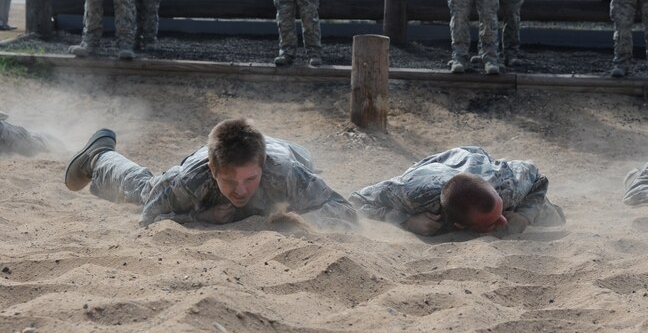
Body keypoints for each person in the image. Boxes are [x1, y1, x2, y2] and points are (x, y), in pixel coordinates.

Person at [64, 118, 357, 228]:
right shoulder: (190, 179)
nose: (241, 190)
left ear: (263, 167)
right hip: (196, 169)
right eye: (230, 181)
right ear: (213, 170)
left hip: (288, 151)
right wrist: (199, 218)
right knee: (145, 191)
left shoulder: (285, 173)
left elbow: (342, 210)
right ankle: (100, 156)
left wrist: (295, 221)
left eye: (250, 179)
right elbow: (149, 219)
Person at [350, 146, 565, 236]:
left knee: (553, 218)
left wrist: (524, 217)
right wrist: (404, 221)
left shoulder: (507, 185)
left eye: (500, 214)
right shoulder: (411, 195)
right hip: (433, 169)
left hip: (477, 163)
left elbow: (538, 179)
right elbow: (357, 201)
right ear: (460, 224)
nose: (503, 221)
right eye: (491, 221)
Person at [0, 111, 65, 157]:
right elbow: (5, 115)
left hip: (25, 138)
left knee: (42, 140)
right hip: (24, 140)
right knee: (40, 141)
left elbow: (5, 115)